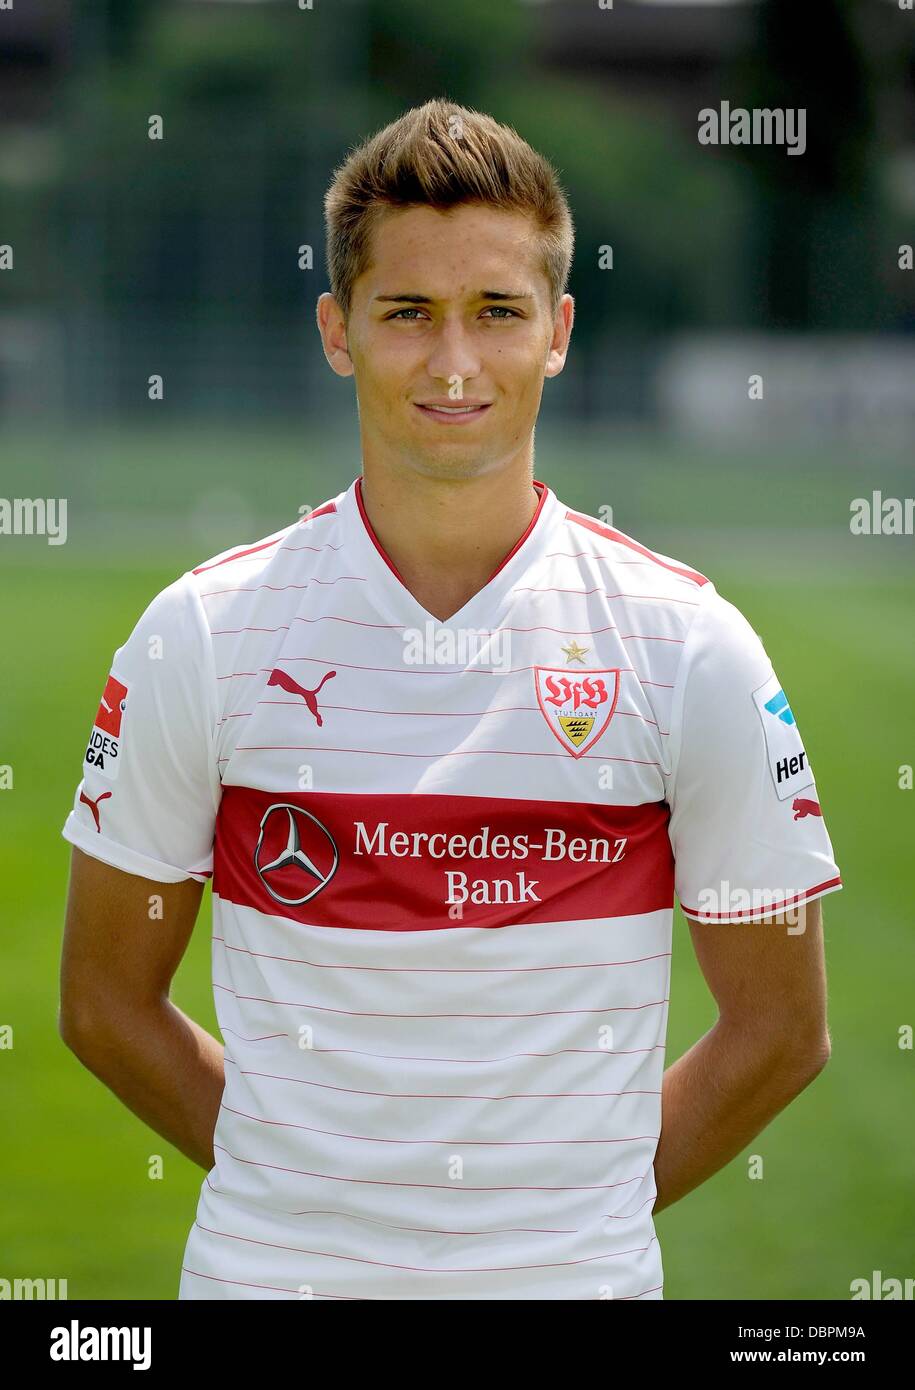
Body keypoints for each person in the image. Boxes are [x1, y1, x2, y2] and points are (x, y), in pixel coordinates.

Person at [59, 99, 842, 1301]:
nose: (456, 361)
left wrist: (563, 1227)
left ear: (559, 330)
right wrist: (310, 1196)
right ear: (338, 330)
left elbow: (783, 1031)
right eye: (409, 314)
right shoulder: (203, 634)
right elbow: (105, 1003)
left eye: (497, 312)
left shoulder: (690, 645)